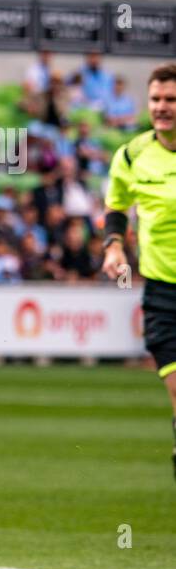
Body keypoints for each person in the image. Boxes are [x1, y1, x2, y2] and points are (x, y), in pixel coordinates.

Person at [102, 63, 176, 482]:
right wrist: (113, 245)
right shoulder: (132, 155)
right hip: (164, 297)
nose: (162, 107)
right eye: (156, 99)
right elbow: (116, 206)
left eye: (170, 100)